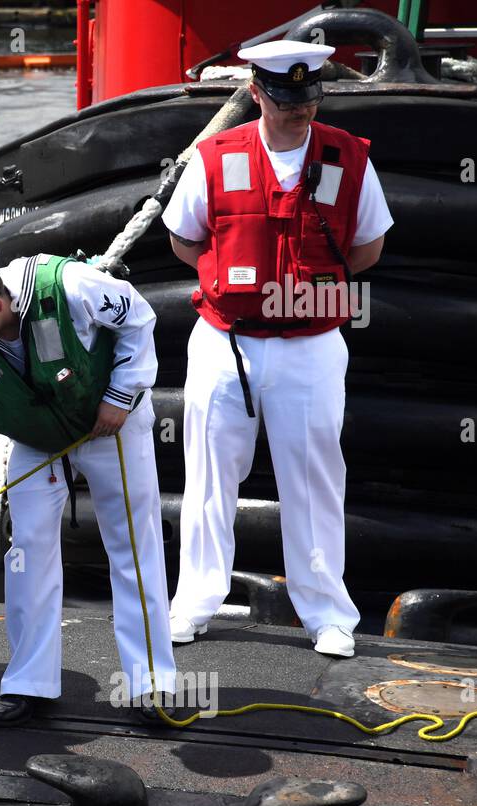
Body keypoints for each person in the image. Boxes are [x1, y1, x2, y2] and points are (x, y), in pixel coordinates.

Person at [161, 40, 394, 658]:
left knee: (314, 479)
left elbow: (368, 247)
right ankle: (194, 601)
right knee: (209, 476)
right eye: (287, 99)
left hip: (311, 345)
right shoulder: (213, 158)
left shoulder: (349, 159)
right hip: (225, 341)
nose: (300, 111)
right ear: (257, 93)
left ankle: (328, 615)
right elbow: (185, 241)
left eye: (309, 98)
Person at [0, 237, 177, 727]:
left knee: (134, 547)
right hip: (35, 439)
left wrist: (120, 393)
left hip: (111, 421)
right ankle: (29, 681)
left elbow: (139, 319)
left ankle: (151, 683)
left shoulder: (70, 286)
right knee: (26, 553)